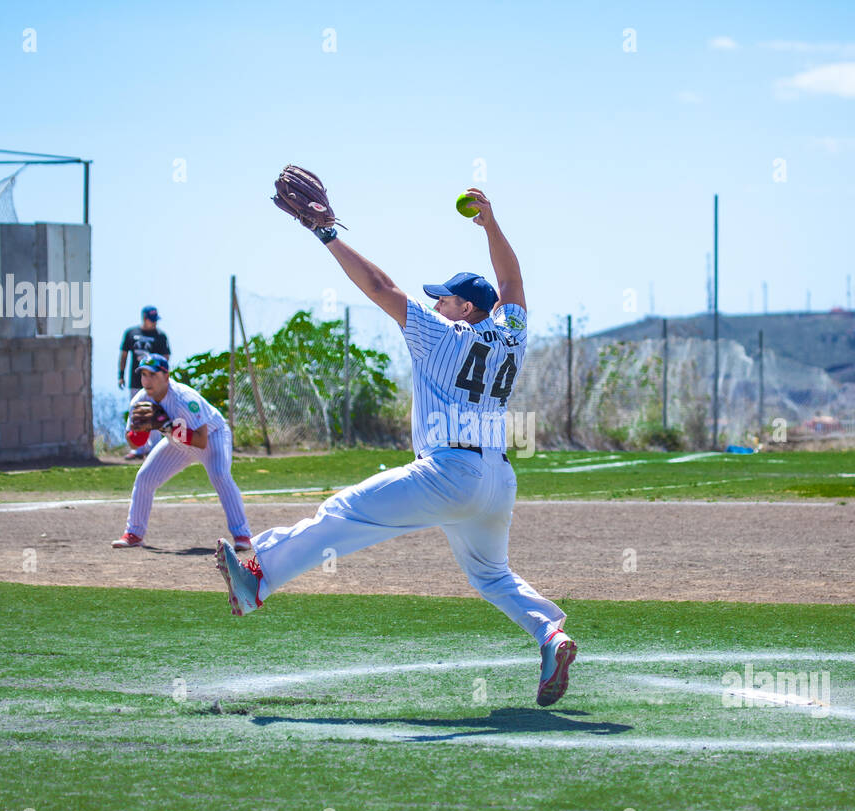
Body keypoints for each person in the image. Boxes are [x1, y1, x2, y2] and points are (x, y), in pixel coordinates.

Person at [213, 186, 576, 707]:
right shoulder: (512, 334)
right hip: (498, 480)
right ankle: (550, 635)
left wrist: (326, 233)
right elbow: (512, 280)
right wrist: (491, 224)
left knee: (343, 512)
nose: (435, 303)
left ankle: (258, 576)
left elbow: (379, 285)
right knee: (492, 575)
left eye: (445, 297)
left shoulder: (443, 334)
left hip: (448, 472)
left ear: (467, 308)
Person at [111, 355, 254, 552]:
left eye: (152, 374)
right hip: (177, 441)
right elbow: (134, 441)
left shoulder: (184, 398)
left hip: (213, 436)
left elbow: (201, 440)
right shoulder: (140, 400)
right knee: (145, 478)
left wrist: (165, 425)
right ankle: (134, 534)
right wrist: (139, 432)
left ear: (166, 376)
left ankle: (242, 535)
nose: (147, 380)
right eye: (143, 374)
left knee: (220, 475)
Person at [118, 305, 171, 460]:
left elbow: (166, 357)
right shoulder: (131, 333)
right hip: (136, 380)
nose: (154, 323)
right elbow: (124, 354)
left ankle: (154, 449)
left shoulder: (160, 336)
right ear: (144, 318)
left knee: (154, 413)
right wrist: (121, 375)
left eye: (155, 320)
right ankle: (137, 449)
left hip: (154, 383)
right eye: (151, 320)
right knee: (138, 413)